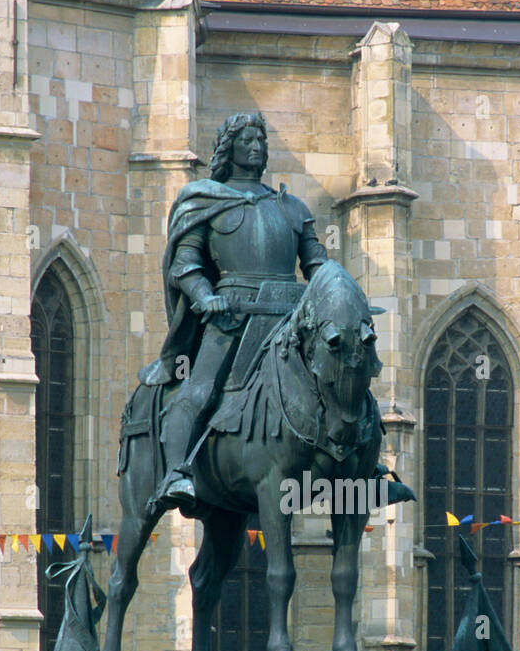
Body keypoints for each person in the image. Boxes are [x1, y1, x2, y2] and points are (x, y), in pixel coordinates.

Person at [143, 110, 413, 511]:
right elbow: (185, 264)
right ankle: (178, 473)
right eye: (247, 140)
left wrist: (340, 294)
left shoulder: (290, 207)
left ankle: (365, 470)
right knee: (199, 390)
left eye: (260, 141)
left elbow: (316, 263)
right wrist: (205, 297)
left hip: (292, 316)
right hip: (232, 318)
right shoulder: (205, 199)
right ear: (228, 147)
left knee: (344, 377)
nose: (256, 147)